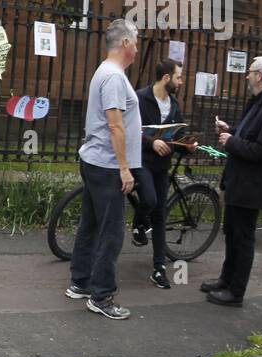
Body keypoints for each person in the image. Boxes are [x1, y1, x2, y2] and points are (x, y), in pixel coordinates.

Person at [67, 18, 141, 319]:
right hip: (108, 165)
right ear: (125, 43)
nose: (137, 48)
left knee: (91, 224)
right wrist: (124, 169)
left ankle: (80, 282)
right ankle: (102, 296)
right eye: (135, 42)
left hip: (96, 162)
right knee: (111, 233)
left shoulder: (107, 72)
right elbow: (115, 124)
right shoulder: (113, 76)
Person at [202, 56, 262, 307]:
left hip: (252, 186)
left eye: (250, 72)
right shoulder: (258, 103)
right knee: (232, 234)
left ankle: (236, 292)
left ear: (259, 76)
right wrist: (232, 130)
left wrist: (231, 142)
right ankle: (226, 280)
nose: (246, 76)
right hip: (239, 183)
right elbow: (250, 133)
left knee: (243, 238)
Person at [131, 58, 185, 289]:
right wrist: (151, 143)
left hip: (162, 166)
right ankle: (138, 224)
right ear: (166, 78)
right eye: (179, 77)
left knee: (160, 216)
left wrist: (186, 145)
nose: (181, 81)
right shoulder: (140, 98)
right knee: (150, 200)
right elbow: (129, 129)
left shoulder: (174, 105)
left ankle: (159, 268)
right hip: (141, 160)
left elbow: (178, 134)